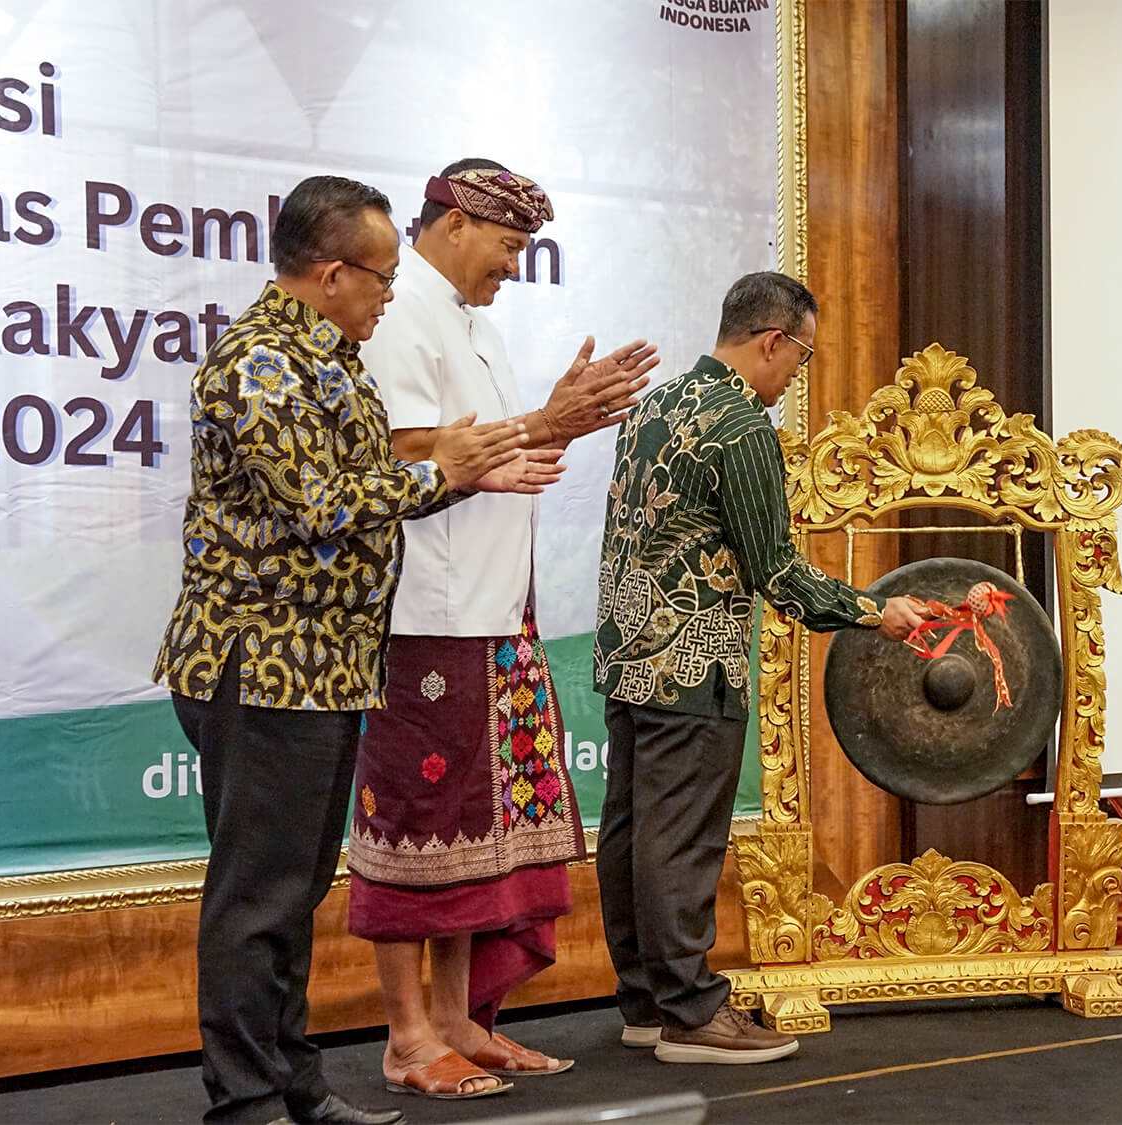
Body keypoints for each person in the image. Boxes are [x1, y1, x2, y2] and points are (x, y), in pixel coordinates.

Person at [155, 174, 551, 1125]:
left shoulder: (330, 360)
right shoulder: (257, 365)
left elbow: (378, 483)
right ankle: (245, 1100)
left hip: (326, 664)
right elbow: (325, 506)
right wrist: (446, 466)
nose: (389, 293)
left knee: (292, 894)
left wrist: (463, 471)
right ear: (329, 275)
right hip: (263, 663)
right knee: (256, 899)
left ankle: (296, 1084)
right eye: (378, 278)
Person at [347, 160, 659, 1100]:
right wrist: (543, 420)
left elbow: (490, 456)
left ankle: (458, 1021)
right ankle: (406, 1036)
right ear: (450, 224)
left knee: (477, 831)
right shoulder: (399, 319)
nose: (516, 266)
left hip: (494, 610)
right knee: (417, 825)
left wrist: (557, 425)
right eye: (509, 243)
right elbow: (397, 452)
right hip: (423, 616)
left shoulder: (474, 324)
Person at [593, 271, 928, 1063]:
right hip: (693, 665)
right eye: (800, 360)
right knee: (680, 841)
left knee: (634, 831)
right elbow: (777, 572)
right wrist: (875, 611)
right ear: (772, 341)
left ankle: (646, 999)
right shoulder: (741, 427)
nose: (793, 380)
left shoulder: (656, 404)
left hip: (627, 655)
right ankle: (692, 1014)